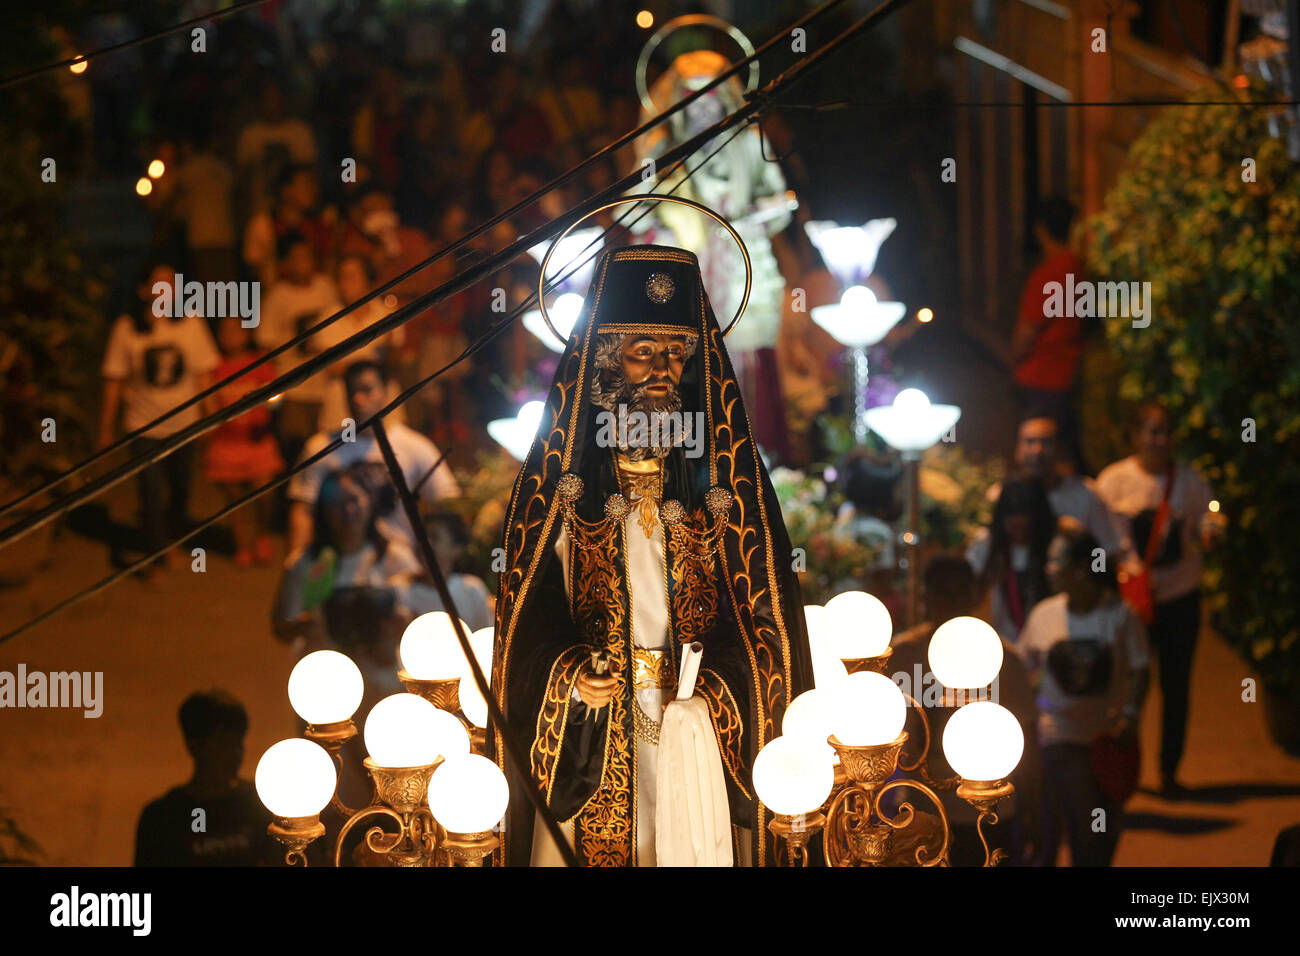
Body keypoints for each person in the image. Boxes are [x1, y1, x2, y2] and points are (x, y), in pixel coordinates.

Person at [491, 245, 814, 867]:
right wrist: (567, 679)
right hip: (593, 735)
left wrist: (711, 695)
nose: (664, 370)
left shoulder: (723, 492)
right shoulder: (566, 492)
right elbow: (528, 624)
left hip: (697, 731)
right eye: (644, 354)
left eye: (676, 354)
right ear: (609, 364)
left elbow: (763, 625)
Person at [1096, 400, 1221, 796]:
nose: (1159, 439)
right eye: (1150, 430)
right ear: (1134, 435)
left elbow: (1211, 513)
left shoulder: (1190, 480)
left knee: (1177, 685)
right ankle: (1120, 773)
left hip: (1180, 595)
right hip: (1130, 603)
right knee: (1126, 686)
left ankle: (1169, 772)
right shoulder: (1113, 481)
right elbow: (1096, 535)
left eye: (1165, 430)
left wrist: (1213, 528)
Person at [890, 556, 1038, 866]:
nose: (950, 601)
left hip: (989, 812)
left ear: (974, 595)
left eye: (959, 592)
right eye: (942, 592)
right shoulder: (903, 656)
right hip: (922, 809)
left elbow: (1027, 741)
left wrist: (1032, 810)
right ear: (926, 596)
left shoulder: (1005, 661)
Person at [1017, 529, 1150, 866]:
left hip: (1105, 743)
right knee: (1076, 825)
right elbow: (1024, 667)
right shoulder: (1044, 615)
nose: (1048, 568)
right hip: (1057, 738)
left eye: (1055, 561)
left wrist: (1131, 715)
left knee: (1098, 830)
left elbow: (1140, 668)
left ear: (1079, 569)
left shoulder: (1120, 616)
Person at [99, 263, 220, 579]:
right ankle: (157, 554)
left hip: (185, 424)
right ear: (143, 290)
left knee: (181, 488)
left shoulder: (190, 322)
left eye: (171, 283)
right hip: (143, 425)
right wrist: (105, 427)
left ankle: (172, 537)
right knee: (150, 491)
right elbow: (114, 379)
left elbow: (204, 373)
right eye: (158, 283)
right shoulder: (127, 328)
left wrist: (212, 414)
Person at [286, 361, 460, 564]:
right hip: (337, 566)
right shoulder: (321, 448)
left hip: (399, 566)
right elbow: (303, 509)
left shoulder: (415, 446)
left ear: (386, 392)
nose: (358, 399)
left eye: (367, 390)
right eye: (352, 391)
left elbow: (448, 502)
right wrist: (296, 562)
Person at [134, 691, 276, 866]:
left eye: (238, 742)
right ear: (194, 745)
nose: (235, 754)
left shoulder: (260, 804)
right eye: (223, 742)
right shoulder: (163, 817)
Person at [254, 230, 343, 466]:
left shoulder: (325, 287)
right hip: (293, 385)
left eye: (307, 256)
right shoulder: (278, 296)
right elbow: (266, 342)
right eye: (297, 257)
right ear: (286, 263)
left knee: (326, 444)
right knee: (296, 448)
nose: (304, 263)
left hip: (324, 383)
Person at [1009, 197, 1085, 466]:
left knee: (1035, 454)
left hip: (1039, 378)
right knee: (1062, 450)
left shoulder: (1047, 275)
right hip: (1068, 375)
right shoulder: (1079, 269)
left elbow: (1026, 332)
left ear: (1040, 230)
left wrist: (1013, 358)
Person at [204, 316, 284, 566]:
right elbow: (208, 403)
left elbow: (277, 396)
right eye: (224, 330)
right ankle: (241, 545)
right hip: (227, 442)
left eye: (235, 330)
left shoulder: (258, 364)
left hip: (257, 439)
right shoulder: (213, 366)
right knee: (234, 498)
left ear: (246, 334)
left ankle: (261, 536)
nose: (230, 335)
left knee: (264, 494)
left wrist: (270, 401)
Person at [989, 415, 1124, 555]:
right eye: (1029, 441)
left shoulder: (1086, 493)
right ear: (1017, 449)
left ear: (1060, 447)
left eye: (1046, 442)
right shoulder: (999, 495)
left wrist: (1094, 569)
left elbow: (1106, 549)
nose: (1037, 451)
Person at [967, 476, 1057, 644]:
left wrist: (1099, 565)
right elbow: (968, 590)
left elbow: (1100, 556)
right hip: (1000, 645)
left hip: (1048, 642)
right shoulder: (985, 546)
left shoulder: (1056, 545)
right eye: (1012, 516)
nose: (1019, 526)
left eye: (1025, 516)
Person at [406, 511, 493, 632]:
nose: (425, 543)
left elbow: (485, 633)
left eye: (435, 537)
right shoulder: (403, 590)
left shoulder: (471, 590)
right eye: (422, 536)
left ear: (457, 549)